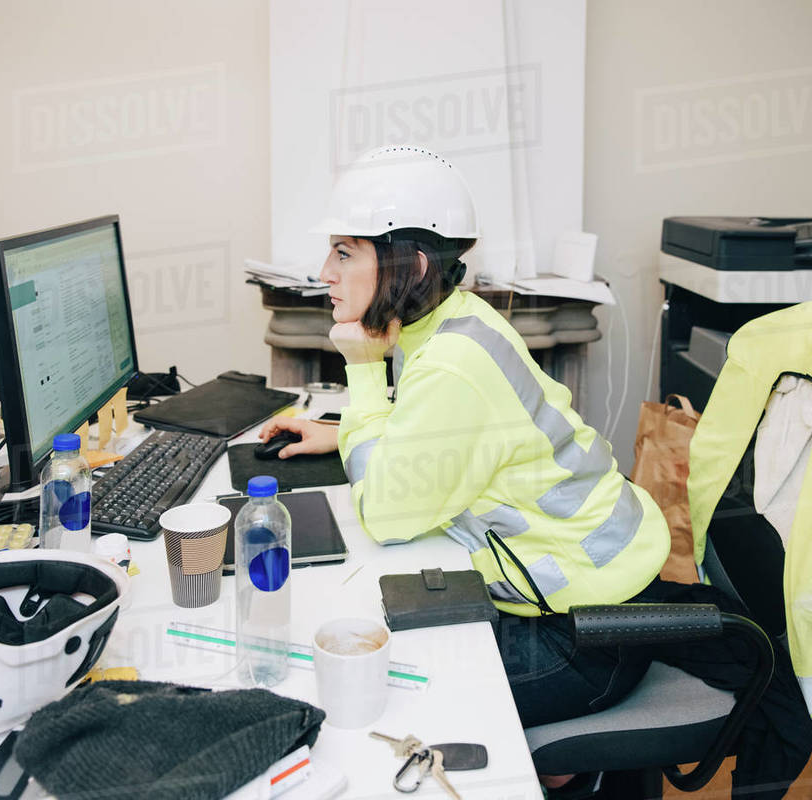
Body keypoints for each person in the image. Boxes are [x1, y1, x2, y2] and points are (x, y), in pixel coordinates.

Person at [259, 145, 671, 733]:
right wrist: (342, 430)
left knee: (387, 690)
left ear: (412, 268)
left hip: (586, 635)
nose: (325, 271)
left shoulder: (453, 363)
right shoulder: (452, 320)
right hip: (597, 594)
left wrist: (364, 369)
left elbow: (386, 515)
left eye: (344, 252)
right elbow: (429, 429)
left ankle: (563, 769)